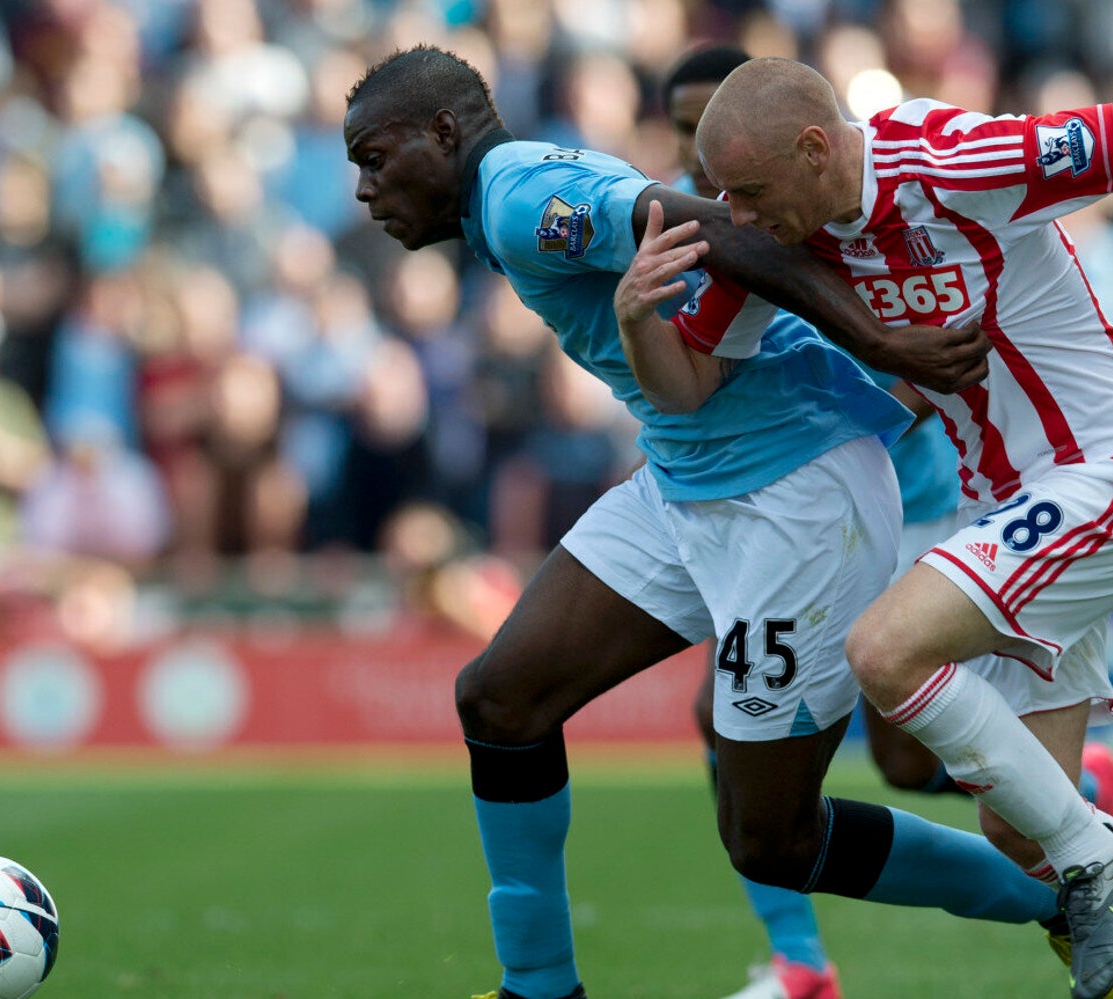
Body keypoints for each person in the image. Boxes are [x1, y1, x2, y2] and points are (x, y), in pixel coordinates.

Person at [644, 56, 1113, 999]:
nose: (744, 218)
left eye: (753, 193)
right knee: (1024, 829)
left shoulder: (948, 160)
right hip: (1010, 514)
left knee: (886, 651)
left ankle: (1102, 866)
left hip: (1105, 470)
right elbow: (682, 384)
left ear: (814, 148)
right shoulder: (796, 235)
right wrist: (636, 309)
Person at [345, 46, 1068, 999]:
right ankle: (538, 988)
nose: (363, 189)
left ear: (442, 134)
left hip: (792, 498)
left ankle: (1067, 895)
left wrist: (879, 340)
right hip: (688, 479)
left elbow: (721, 234)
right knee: (500, 697)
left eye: (374, 157)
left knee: (772, 839)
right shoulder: (513, 200)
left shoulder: (520, 197)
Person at [657, 45, 1113, 999]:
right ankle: (800, 961)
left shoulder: (838, 197)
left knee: (908, 759)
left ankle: (1074, 805)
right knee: (724, 715)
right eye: (684, 135)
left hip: (901, 494)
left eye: (719, 135)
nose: (709, 175)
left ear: (802, 140)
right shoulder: (715, 212)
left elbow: (948, 318)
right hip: (776, 506)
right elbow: (694, 376)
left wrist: (883, 394)